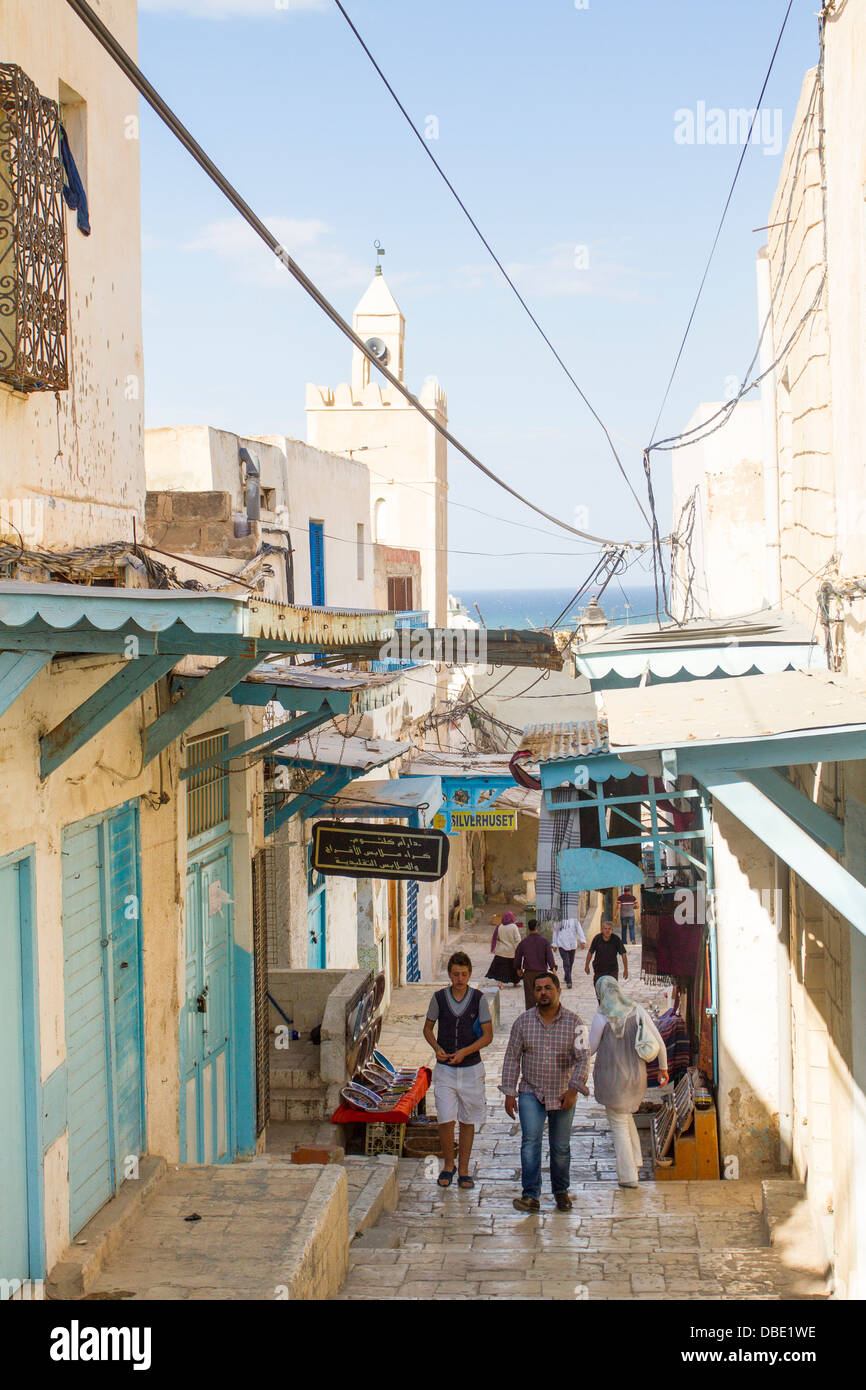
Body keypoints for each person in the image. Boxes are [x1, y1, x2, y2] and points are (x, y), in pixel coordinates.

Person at [501, 971, 589, 1212]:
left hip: (562, 1093)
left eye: (548, 988)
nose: (543, 993)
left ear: (559, 991)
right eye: (538, 989)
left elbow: (583, 1059)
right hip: (531, 1091)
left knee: (560, 1147)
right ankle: (530, 1195)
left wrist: (574, 1090)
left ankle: (561, 1192)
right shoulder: (522, 1022)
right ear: (534, 993)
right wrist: (509, 1092)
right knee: (530, 1142)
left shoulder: (576, 1023)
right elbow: (512, 1058)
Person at [423, 952, 494, 1189]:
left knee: (467, 1119)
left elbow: (487, 1036)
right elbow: (428, 1029)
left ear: (470, 974)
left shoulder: (479, 999)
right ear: (449, 974)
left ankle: (463, 1169)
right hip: (445, 1070)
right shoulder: (439, 998)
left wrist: (466, 1051)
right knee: (445, 1118)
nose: (460, 978)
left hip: (471, 1069)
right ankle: (447, 1164)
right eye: (455, 974)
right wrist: (437, 1048)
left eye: (464, 974)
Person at [590, 976, 668, 1187]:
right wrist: (663, 1068)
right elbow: (658, 1041)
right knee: (625, 1118)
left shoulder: (601, 1018)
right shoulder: (636, 1010)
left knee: (618, 1125)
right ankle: (636, 1161)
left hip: (612, 1080)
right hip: (636, 1077)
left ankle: (628, 1177)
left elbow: (590, 1048)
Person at [514, 917, 557, 1009]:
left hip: (529, 974)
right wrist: (553, 969)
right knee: (542, 994)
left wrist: (518, 968)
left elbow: (517, 956)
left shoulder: (524, 942)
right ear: (538, 927)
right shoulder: (544, 941)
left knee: (530, 996)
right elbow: (549, 957)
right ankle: (543, 1012)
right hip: (542, 973)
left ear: (529, 928)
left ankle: (530, 1015)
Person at [584, 918, 628, 985]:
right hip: (599, 970)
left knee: (612, 991)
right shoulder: (597, 939)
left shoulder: (616, 939)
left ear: (612, 930)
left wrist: (626, 969)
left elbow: (623, 954)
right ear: (602, 930)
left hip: (612, 970)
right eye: (605, 928)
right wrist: (586, 965)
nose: (607, 931)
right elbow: (590, 952)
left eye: (609, 929)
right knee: (599, 990)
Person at [485, 910, 522, 989]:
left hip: (501, 952)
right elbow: (517, 939)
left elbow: (496, 939)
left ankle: (500, 983)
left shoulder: (500, 926)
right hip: (511, 952)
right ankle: (515, 982)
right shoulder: (513, 927)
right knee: (513, 968)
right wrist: (519, 950)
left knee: (501, 968)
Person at [552, 916, 585, 988]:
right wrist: (554, 944)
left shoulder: (574, 920)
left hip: (572, 944)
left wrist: (582, 940)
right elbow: (555, 931)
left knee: (571, 962)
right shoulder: (559, 919)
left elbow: (579, 930)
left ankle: (567, 975)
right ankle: (569, 981)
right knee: (566, 962)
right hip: (561, 944)